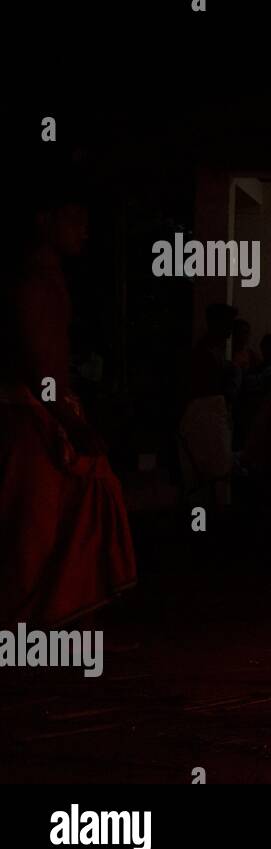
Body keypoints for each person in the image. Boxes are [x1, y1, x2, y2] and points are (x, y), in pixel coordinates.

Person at [0, 180, 136, 625]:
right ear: (44, 221)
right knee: (33, 531)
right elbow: (40, 365)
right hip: (33, 417)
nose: (85, 233)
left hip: (48, 411)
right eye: (75, 221)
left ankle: (39, 621)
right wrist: (67, 421)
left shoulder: (47, 277)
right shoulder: (33, 281)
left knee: (58, 522)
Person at [179, 302, 238, 506]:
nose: (231, 329)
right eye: (228, 323)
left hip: (211, 415)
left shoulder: (214, 351)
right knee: (214, 476)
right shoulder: (205, 354)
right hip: (206, 417)